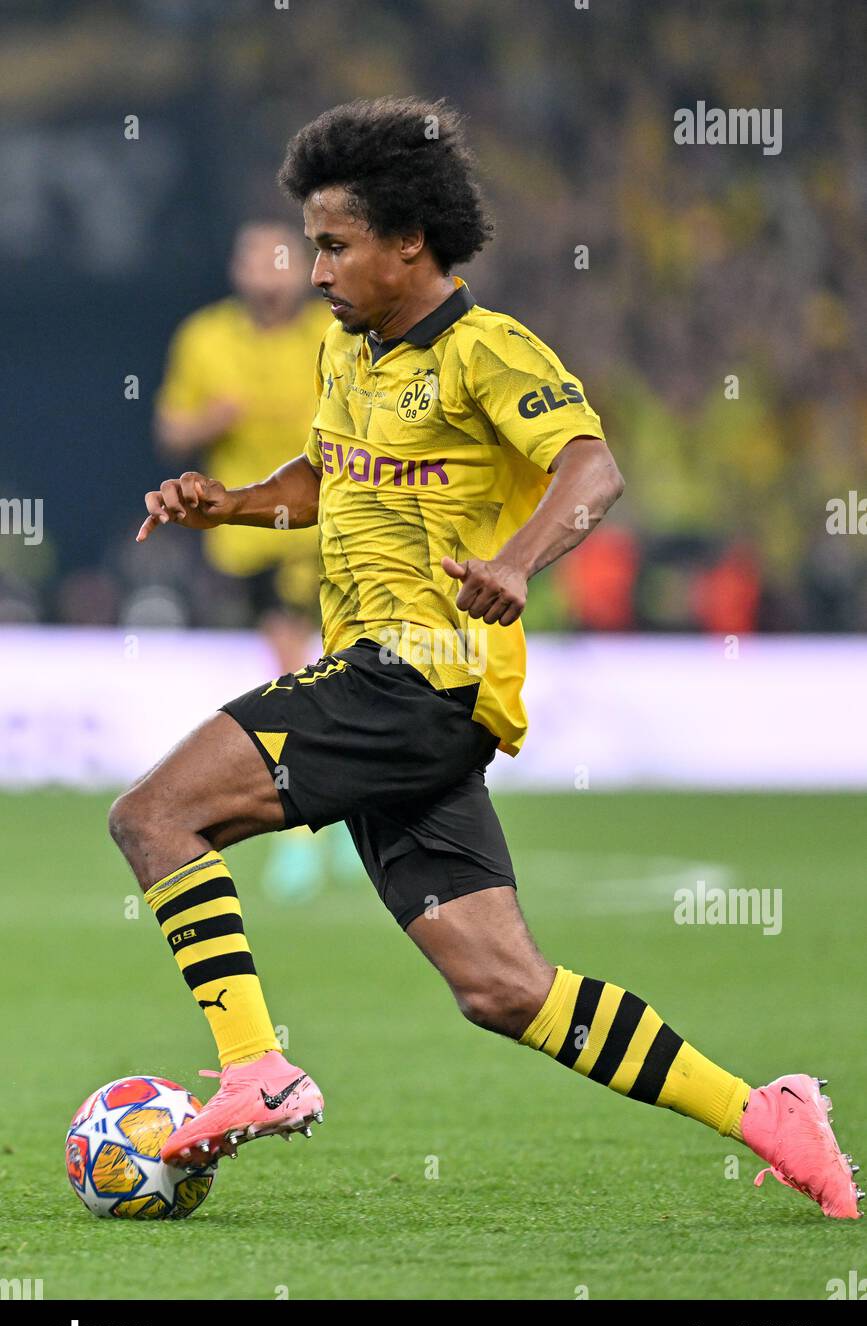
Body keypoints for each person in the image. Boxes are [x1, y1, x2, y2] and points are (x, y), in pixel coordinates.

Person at [110, 97, 860, 1219]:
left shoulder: (487, 350)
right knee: (505, 989)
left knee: (153, 817)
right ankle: (767, 1110)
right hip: (398, 698)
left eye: (334, 244)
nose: (314, 270)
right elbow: (323, 486)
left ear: (408, 241)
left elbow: (592, 470)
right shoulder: (347, 353)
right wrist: (230, 503)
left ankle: (257, 1066)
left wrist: (515, 562)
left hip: (417, 676)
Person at [155, 220, 344, 899]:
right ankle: (342, 813)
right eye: (253, 258)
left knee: (302, 667)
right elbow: (170, 428)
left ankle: (308, 827)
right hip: (242, 537)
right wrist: (213, 420)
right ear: (237, 270)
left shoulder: (333, 335)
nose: (266, 271)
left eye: (279, 258)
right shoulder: (205, 337)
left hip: (323, 529)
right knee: (301, 671)